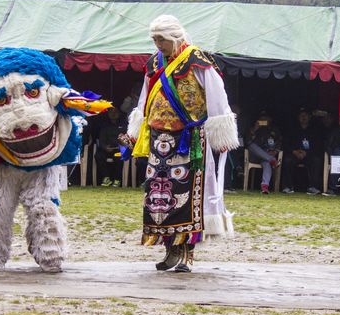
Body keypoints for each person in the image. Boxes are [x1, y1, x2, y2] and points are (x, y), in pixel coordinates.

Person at [121, 15, 238, 273]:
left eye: (160, 39)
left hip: (189, 140)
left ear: (174, 37)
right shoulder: (154, 63)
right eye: (154, 39)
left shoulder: (197, 61)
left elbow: (217, 95)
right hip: (158, 141)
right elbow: (144, 99)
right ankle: (169, 250)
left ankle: (186, 253)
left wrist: (220, 133)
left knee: (187, 197)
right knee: (160, 197)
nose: (157, 44)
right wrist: (136, 131)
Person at [281, 108, 325, 194]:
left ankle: (313, 187)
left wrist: (306, 153)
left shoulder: (314, 130)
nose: (304, 117)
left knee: (316, 161)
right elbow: (286, 143)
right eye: (301, 116)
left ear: (309, 117)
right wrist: (295, 151)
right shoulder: (292, 129)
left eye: (305, 116)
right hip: (295, 154)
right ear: (298, 117)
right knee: (287, 161)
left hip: (308, 154)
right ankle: (288, 187)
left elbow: (318, 145)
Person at [245, 110, 282, 194]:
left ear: (270, 119)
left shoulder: (274, 130)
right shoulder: (254, 128)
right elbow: (247, 142)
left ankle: (264, 187)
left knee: (267, 162)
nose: (264, 120)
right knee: (251, 145)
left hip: (266, 156)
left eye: (266, 118)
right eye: (262, 118)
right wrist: (254, 129)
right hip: (254, 156)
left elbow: (279, 142)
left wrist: (275, 151)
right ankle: (273, 160)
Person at [94, 106, 126, 186]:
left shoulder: (124, 125)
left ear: (119, 113)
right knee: (98, 155)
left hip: (119, 149)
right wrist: (105, 147)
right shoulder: (104, 125)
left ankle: (117, 179)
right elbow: (101, 140)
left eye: (115, 112)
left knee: (118, 157)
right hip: (107, 149)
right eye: (111, 112)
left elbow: (127, 139)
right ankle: (106, 178)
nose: (113, 114)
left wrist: (122, 145)